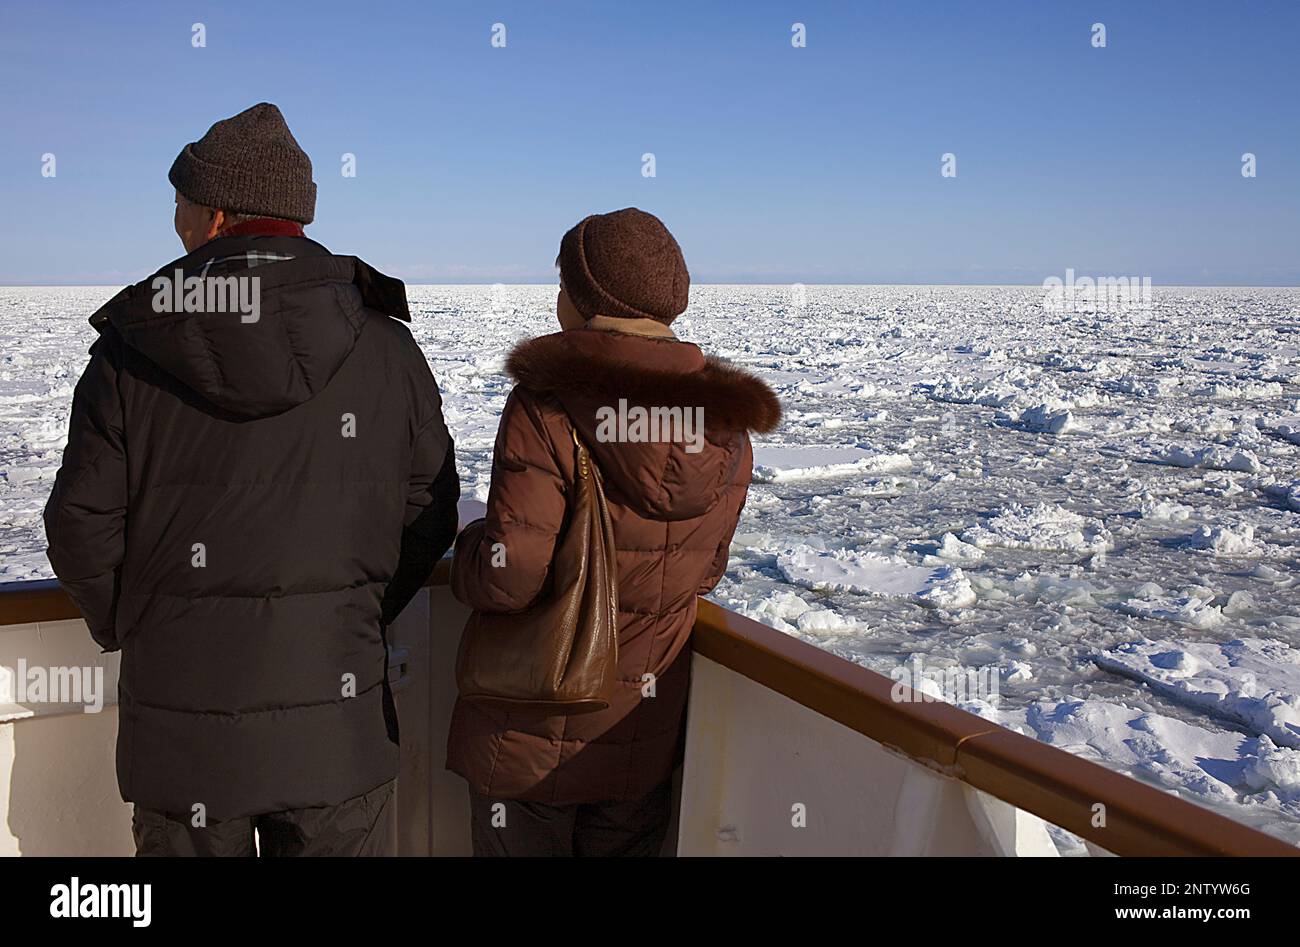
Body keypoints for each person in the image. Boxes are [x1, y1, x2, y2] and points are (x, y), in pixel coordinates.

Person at [43, 103, 459, 856]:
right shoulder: (388, 351)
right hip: (339, 733)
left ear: (217, 212)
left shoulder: (133, 353)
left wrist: (140, 623)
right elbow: (429, 509)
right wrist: (354, 609)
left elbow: (79, 526)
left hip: (183, 740)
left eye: (180, 200)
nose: (173, 217)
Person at [448, 207, 780, 856]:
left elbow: (509, 574)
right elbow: (705, 572)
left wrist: (466, 552)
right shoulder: (724, 423)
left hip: (531, 726)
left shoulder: (546, 402)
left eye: (563, 281)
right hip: (640, 732)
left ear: (587, 298)